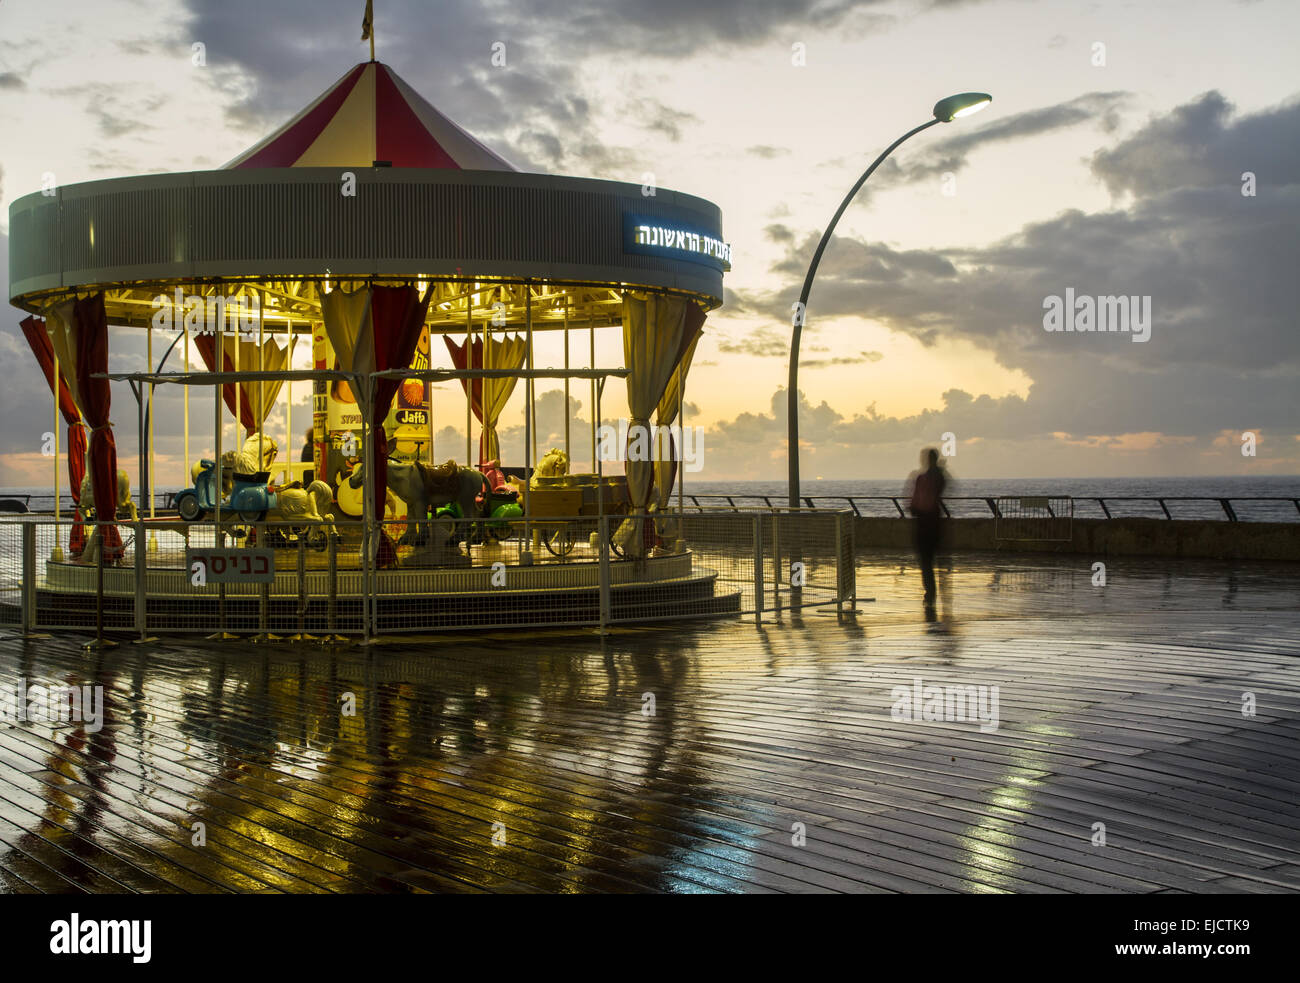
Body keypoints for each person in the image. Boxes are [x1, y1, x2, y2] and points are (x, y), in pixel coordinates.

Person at [907, 447, 948, 606]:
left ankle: (930, 592)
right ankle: (933, 591)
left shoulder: (924, 478)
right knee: (930, 561)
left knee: (926, 561)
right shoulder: (937, 476)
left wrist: (915, 509)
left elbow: (920, 500)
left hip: (925, 523)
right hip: (933, 522)